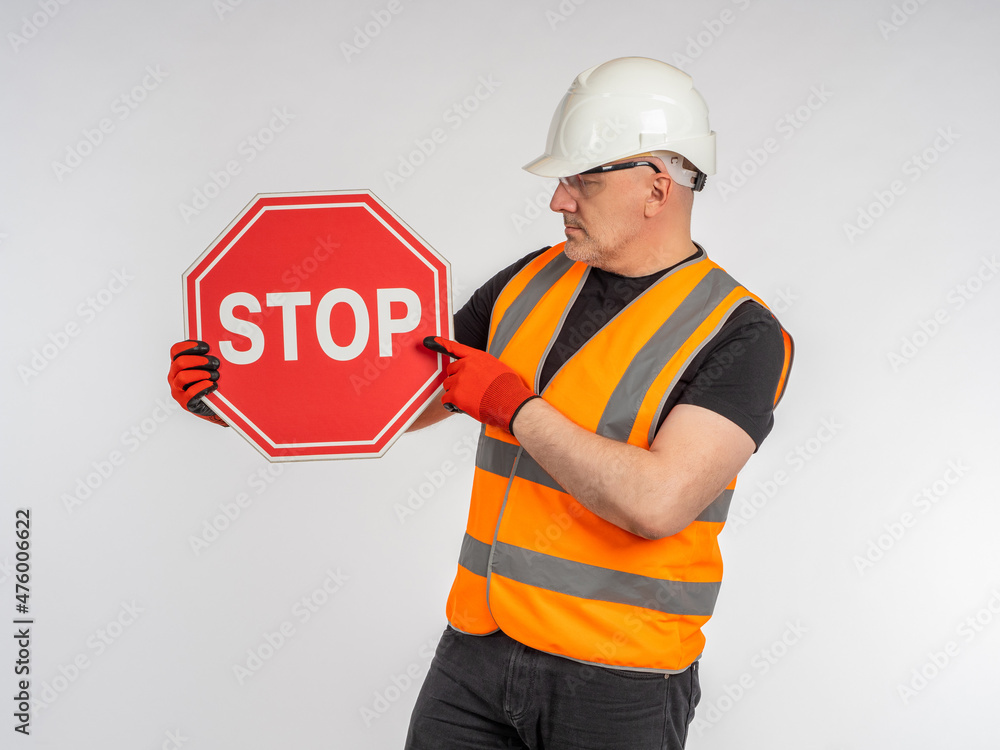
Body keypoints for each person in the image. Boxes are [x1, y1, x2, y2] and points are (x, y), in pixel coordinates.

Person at [168, 57, 792, 749]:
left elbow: (659, 502)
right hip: (476, 653)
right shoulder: (529, 281)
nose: (558, 201)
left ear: (656, 186)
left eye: (581, 180)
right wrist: (239, 396)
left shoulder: (740, 333)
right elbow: (399, 394)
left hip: (621, 681)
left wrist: (515, 409)